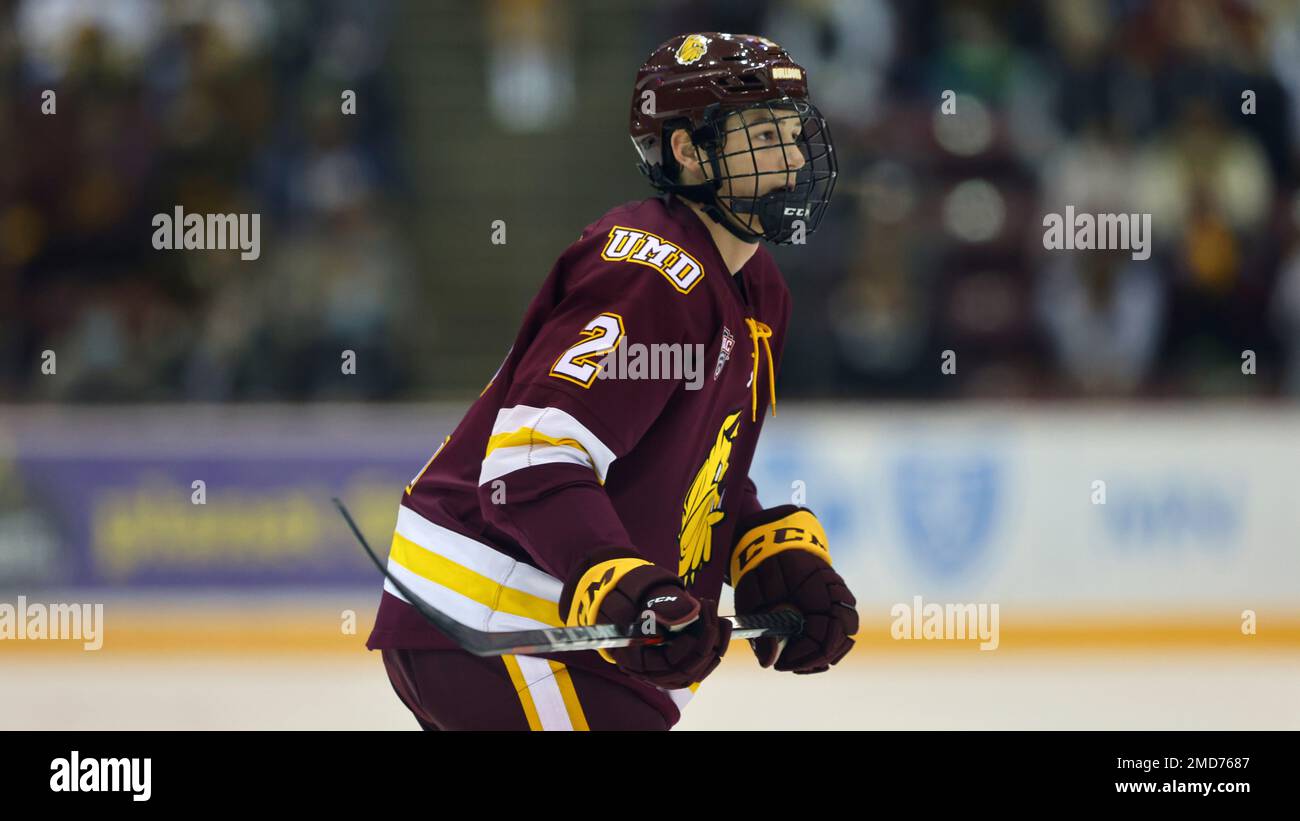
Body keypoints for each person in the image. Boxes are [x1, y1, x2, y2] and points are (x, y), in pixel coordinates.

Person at [367, 32, 858, 731]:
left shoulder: (760, 290)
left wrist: (756, 549)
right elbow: (530, 458)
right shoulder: (650, 271)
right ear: (689, 152)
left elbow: (696, 467)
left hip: (568, 633)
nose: (790, 158)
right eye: (760, 135)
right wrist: (613, 579)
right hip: (505, 617)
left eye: (792, 132)